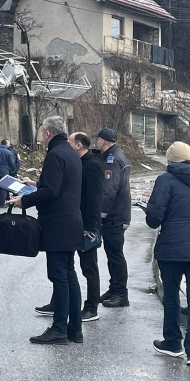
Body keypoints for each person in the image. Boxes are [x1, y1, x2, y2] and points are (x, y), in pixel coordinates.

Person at [11, 115, 84, 345]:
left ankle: (59, 329)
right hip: (72, 222)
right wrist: (37, 185)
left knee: (59, 277)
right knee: (69, 275)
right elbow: (59, 187)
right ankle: (74, 329)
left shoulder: (55, 154)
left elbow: (51, 192)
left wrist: (25, 201)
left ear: (47, 133)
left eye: (42, 133)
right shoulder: (71, 153)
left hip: (57, 226)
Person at [145, 142, 190, 367]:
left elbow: (154, 218)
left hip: (172, 250)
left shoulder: (165, 180)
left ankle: (173, 342)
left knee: (172, 296)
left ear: (170, 159)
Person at [95, 128, 131, 308]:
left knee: (115, 255)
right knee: (112, 254)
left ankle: (121, 294)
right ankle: (114, 288)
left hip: (114, 216)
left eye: (98, 140)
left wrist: (100, 214)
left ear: (103, 141)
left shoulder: (113, 159)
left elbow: (108, 190)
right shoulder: (115, 156)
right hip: (116, 214)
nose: (96, 142)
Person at [70, 132, 104, 322]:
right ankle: (57, 301)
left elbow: (94, 198)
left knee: (89, 266)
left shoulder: (92, 165)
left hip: (86, 225)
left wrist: (90, 226)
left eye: (70, 141)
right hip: (73, 221)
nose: (67, 145)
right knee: (65, 264)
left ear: (79, 145)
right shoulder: (78, 163)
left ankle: (92, 307)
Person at [0, 139, 20, 208]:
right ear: (6, 144)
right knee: (3, 188)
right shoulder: (8, 152)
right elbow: (11, 163)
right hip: (4, 173)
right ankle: (1, 204)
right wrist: (13, 170)